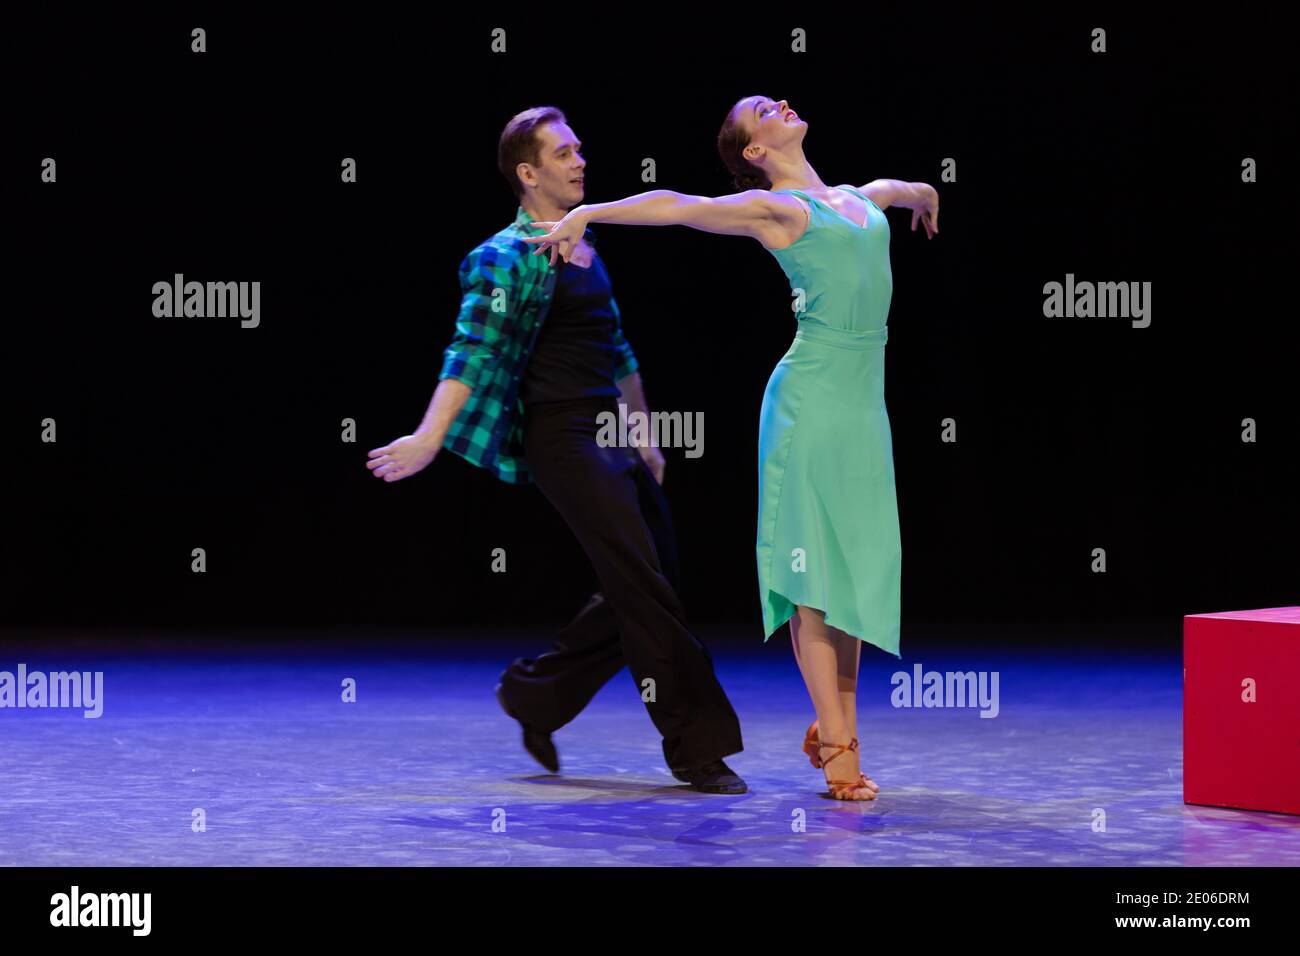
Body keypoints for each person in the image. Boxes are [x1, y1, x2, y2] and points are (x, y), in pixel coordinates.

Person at [524, 95, 939, 800]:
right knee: (816, 585)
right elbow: (675, 203)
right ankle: (840, 748)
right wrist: (591, 213)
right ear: (754, 150)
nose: (781, 101)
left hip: (864, 409)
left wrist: (918, 192)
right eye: (762, 109)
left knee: (857, 580)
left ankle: (836, 727)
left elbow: (888, 193)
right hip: (810, 404)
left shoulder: (845, 198)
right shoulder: (777, 211)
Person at [365, 106, 747, 794]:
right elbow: (472, 352)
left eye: (580, 151)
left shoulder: (589, 242)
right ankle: (697, 747)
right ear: (528, 172)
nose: (581, 162)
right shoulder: (503, 257)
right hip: (560, 435)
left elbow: (617, 345)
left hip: (607, 430)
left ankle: (535, 696)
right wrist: (429, 435)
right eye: (565, 154)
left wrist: (644, 433)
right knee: (643, 586)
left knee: (650, 577)